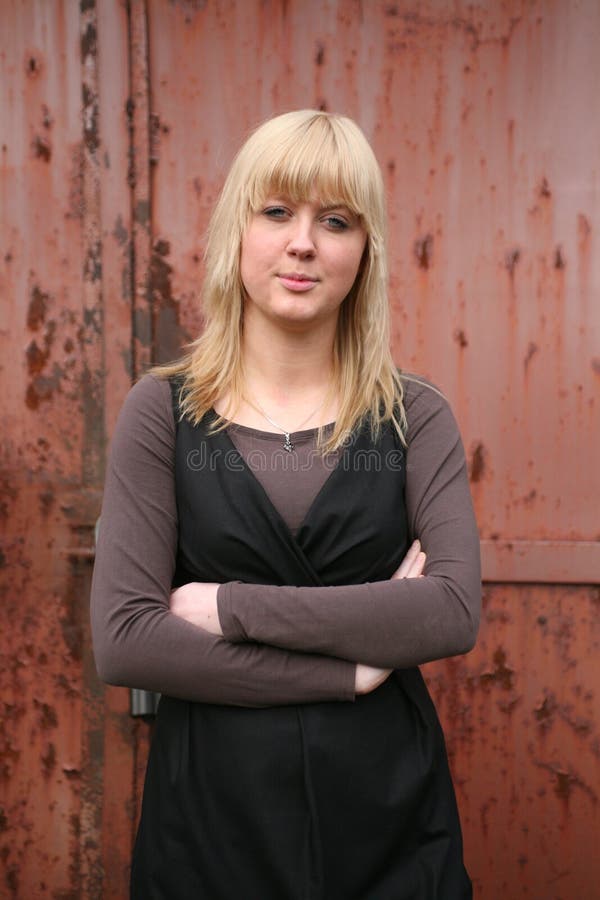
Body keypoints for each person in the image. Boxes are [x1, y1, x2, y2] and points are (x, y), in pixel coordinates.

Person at [90, 109, 481, 899]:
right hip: (210, 825)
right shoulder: (161, 412)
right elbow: (127, 641)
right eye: (277, 212)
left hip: (391, 825)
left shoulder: (416, 418)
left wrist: (229, 607)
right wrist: (352, 671)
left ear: (363, 250)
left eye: (334, 220)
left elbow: (448, 612)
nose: (303, 242)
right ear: (238, 229)